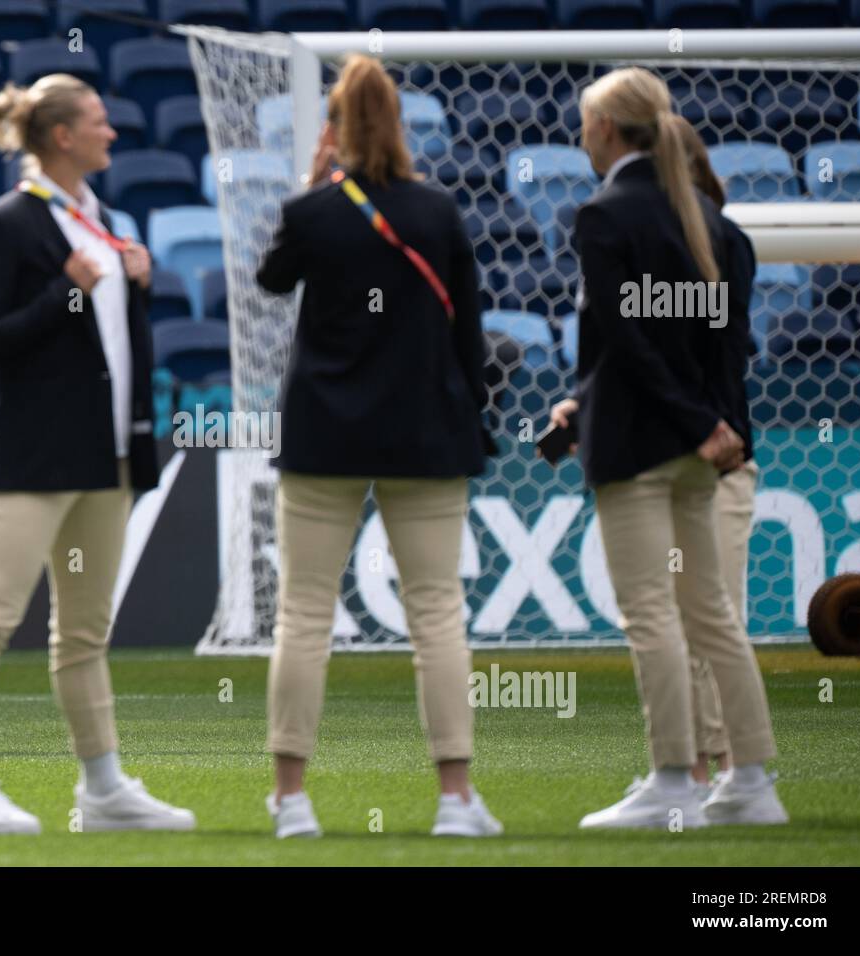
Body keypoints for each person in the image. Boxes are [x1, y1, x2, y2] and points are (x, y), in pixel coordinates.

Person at [0, 74, 194, 834]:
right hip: (36, 455)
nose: (111, 132)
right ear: (62, 136)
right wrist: (63, 292)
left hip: (105, 456)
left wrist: (136, 285)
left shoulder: (101, 219)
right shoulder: (9, 223)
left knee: (84, 633)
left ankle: (104, 789)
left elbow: (107, 342)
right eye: (98, 121)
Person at [256, 54, 501, 839]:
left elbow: (270, 279)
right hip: (424, 433)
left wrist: (313, 183)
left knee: (303, 615)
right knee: (438, 614)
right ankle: (455, 799)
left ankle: (292, 799)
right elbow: (468, 333)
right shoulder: (436, 210)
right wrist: (474, 420)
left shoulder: (313, 211)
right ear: (398, 123)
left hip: (323, 435)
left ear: (333, 128)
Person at [545, 67, 786, 828]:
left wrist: (684, 418)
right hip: (700, 451)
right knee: (711, 612)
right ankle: (752, 782)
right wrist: (717, 426)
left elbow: (624, 344)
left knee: (651, 613)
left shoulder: (604, 216)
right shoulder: (711, 223)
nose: (581, 135)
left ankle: (674, 780)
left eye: (586, 122)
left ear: (606, 128)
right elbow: (722, 348)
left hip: (640, 446)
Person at [677, 116, 759, 794]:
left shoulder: (717, 241)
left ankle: (724, 770)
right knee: (693, 618)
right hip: (696, 455)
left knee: (707, 617)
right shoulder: (720, 239)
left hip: (710, 456)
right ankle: (700, 771)